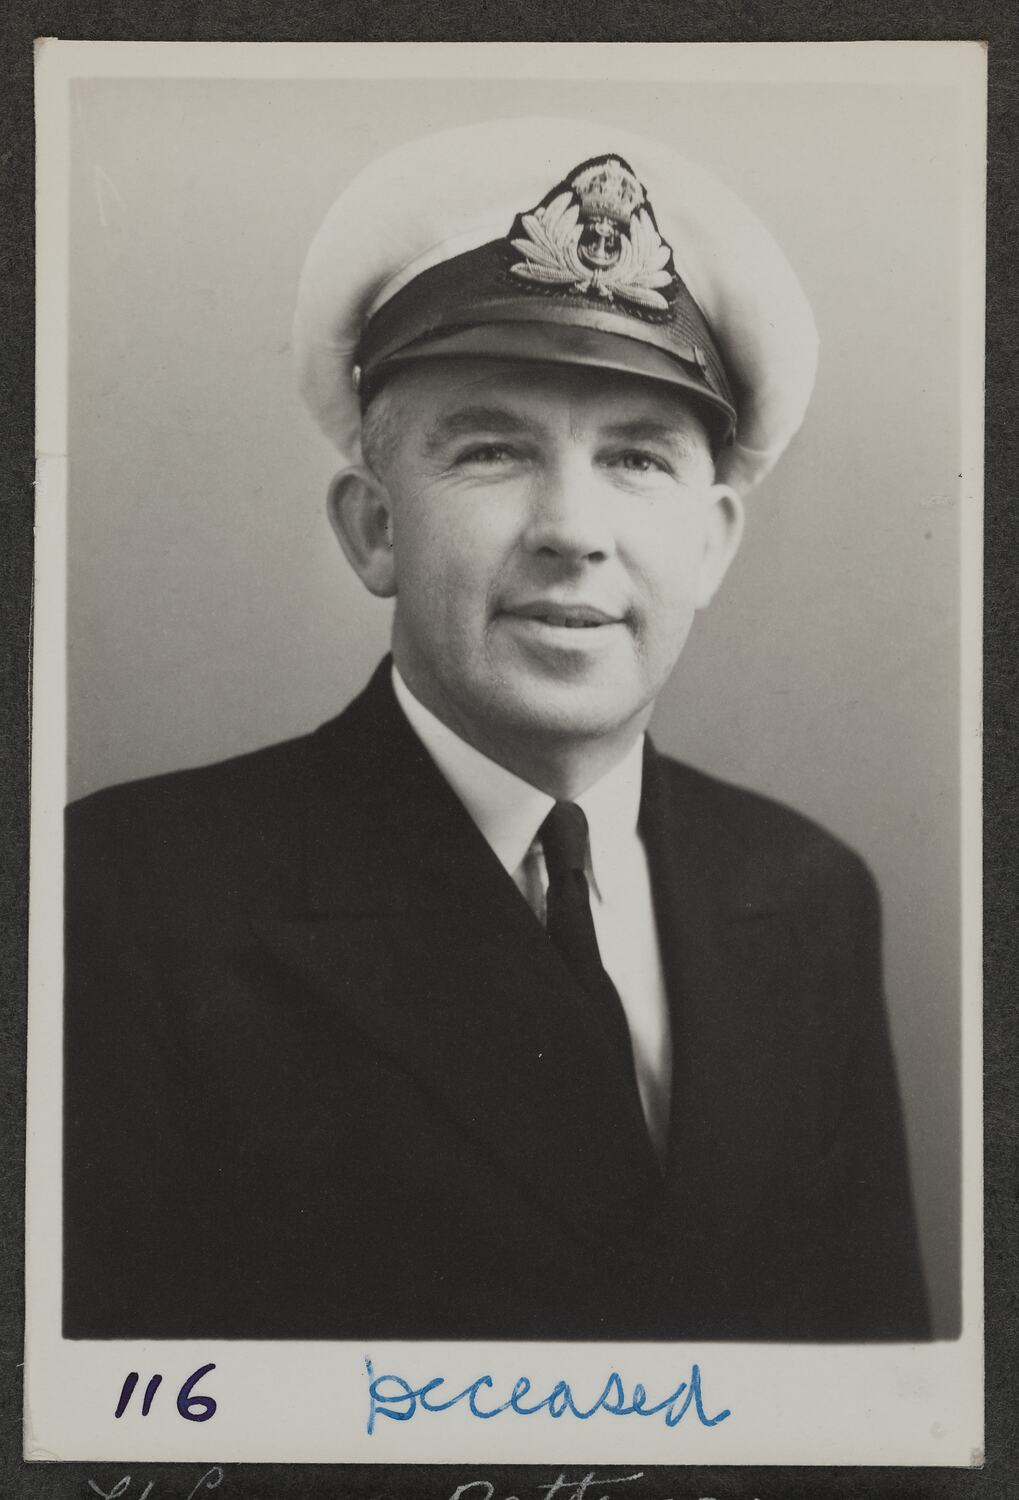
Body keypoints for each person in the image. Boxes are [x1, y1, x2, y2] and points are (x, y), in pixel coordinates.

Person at [63, 118, 931, 1342]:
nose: (573, 529)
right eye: (491, 450)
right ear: (373, 528)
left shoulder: (806, 896)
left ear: (711, 539)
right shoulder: (121, 899)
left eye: (635, 459)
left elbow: (872, 1424)